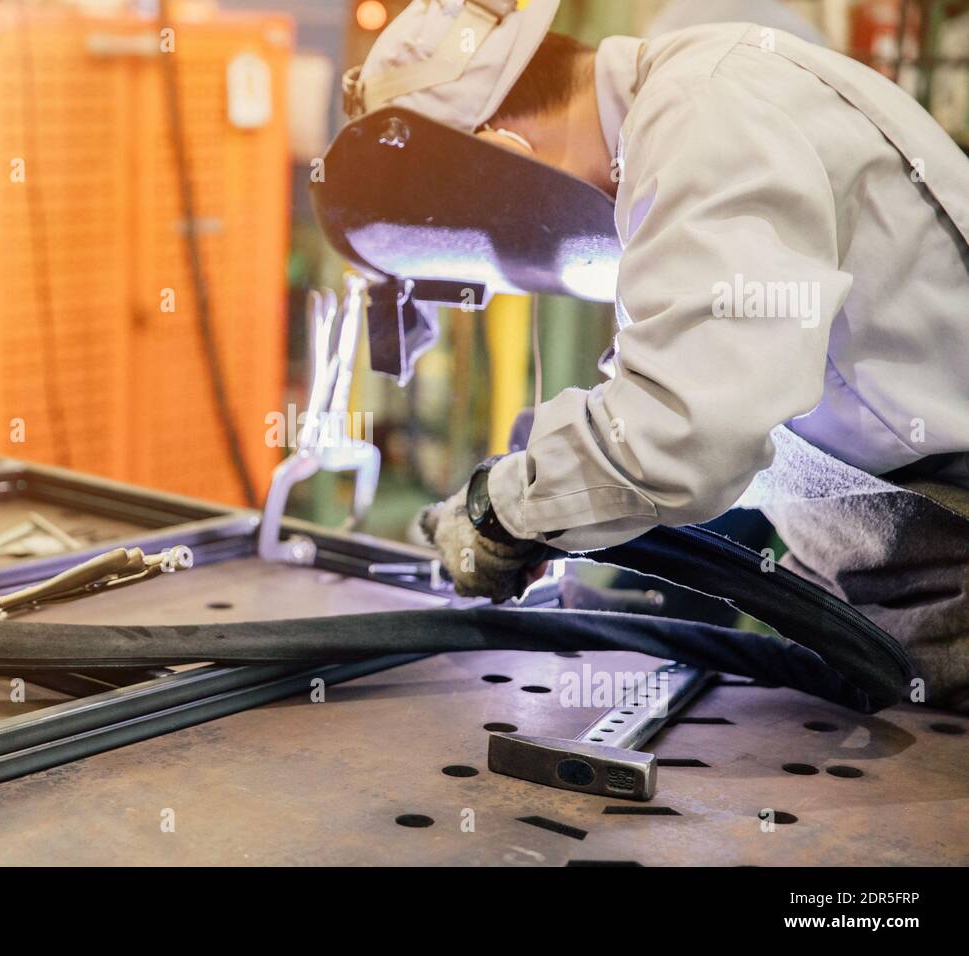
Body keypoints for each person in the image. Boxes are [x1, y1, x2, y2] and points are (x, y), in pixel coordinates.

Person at [331, 1, 969, 708]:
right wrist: (539, 481)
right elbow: (694, 358)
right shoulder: (687, 103)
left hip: (950, 571)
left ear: (506, 154)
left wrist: (502, 510)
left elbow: (685, 434)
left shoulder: (702, 110)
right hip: (885, 578)